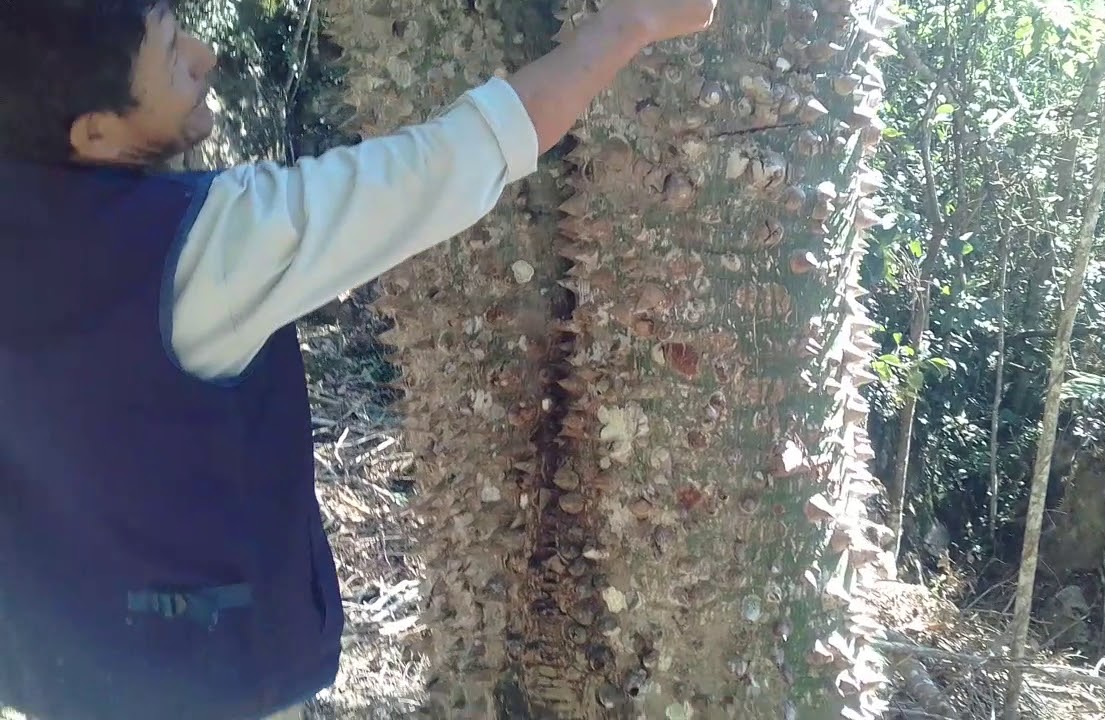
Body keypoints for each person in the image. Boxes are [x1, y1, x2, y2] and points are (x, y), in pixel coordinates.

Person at [0, 0, 717, 717]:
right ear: (94, 132)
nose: (202, 53)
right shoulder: (198, 249)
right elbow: (446, 164)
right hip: (207, 683)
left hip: (57, 678)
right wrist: (631, 23)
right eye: (168, 52)